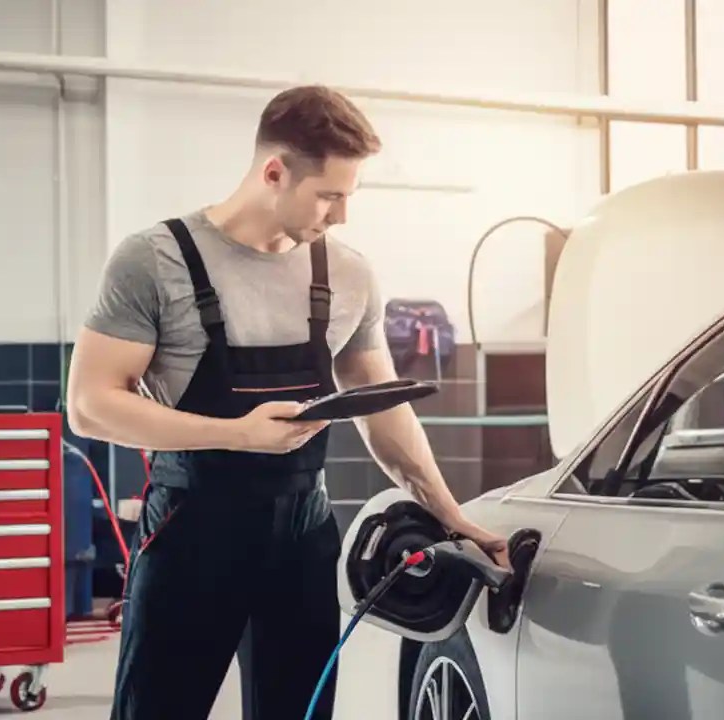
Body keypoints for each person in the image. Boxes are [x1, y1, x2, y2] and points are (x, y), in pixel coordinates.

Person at [66, 84, 509, 720]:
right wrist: (236, 434)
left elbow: (382, 406)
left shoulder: (348, 273)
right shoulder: (154, 261)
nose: (342, 215)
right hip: (190, 532)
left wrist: (449, 513)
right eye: (330, 195)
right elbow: (90, 405)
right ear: (274, 172)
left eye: (349, 196)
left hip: (301, 538)